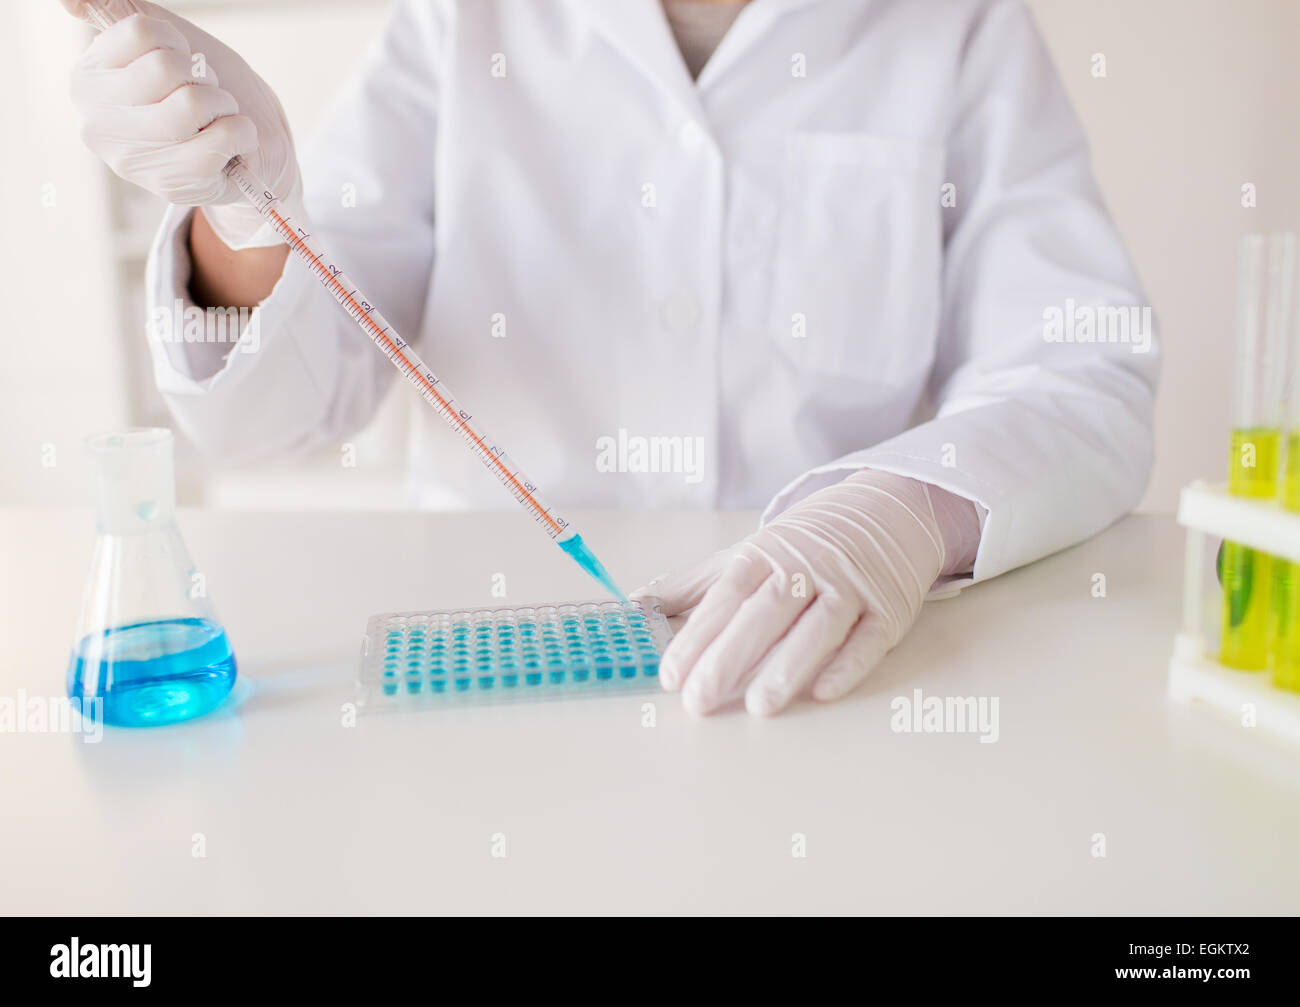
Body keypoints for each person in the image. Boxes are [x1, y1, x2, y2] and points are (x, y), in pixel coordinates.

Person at [66, 0, 1159, 716]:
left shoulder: (957, 25)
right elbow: (276, 413)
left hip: (820, 665)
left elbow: (1080, 363)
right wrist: (240, 220)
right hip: (483, 679)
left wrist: (901, 511)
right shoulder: (457, 21)